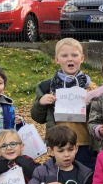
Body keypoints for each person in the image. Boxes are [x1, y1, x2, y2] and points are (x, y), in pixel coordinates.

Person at [31, 38, 95, 169]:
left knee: (87, 180)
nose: (70, 59)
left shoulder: (91, 87)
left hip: (85, 143)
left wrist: (91, 103)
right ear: (57, 60)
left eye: (74, 55)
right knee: (62, 180)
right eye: (64, 55)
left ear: (82, 58)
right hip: (59, 144)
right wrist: (41, 103)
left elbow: (99, 116)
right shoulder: (47, 87)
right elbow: (37, 117)